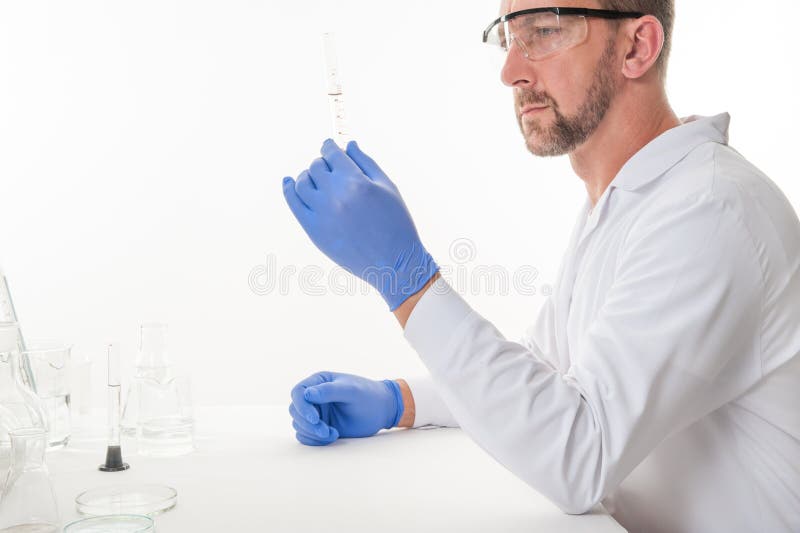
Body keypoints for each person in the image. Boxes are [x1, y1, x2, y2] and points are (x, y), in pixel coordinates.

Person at [282, 1, 800, 532]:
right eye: (509, 37)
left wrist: (406, 279)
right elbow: (551, 375)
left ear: (637, 47)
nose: (512, 70)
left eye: (545, 31)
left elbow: (578, 457)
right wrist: (400, 402)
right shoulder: (628, 201)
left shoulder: (708, 211)